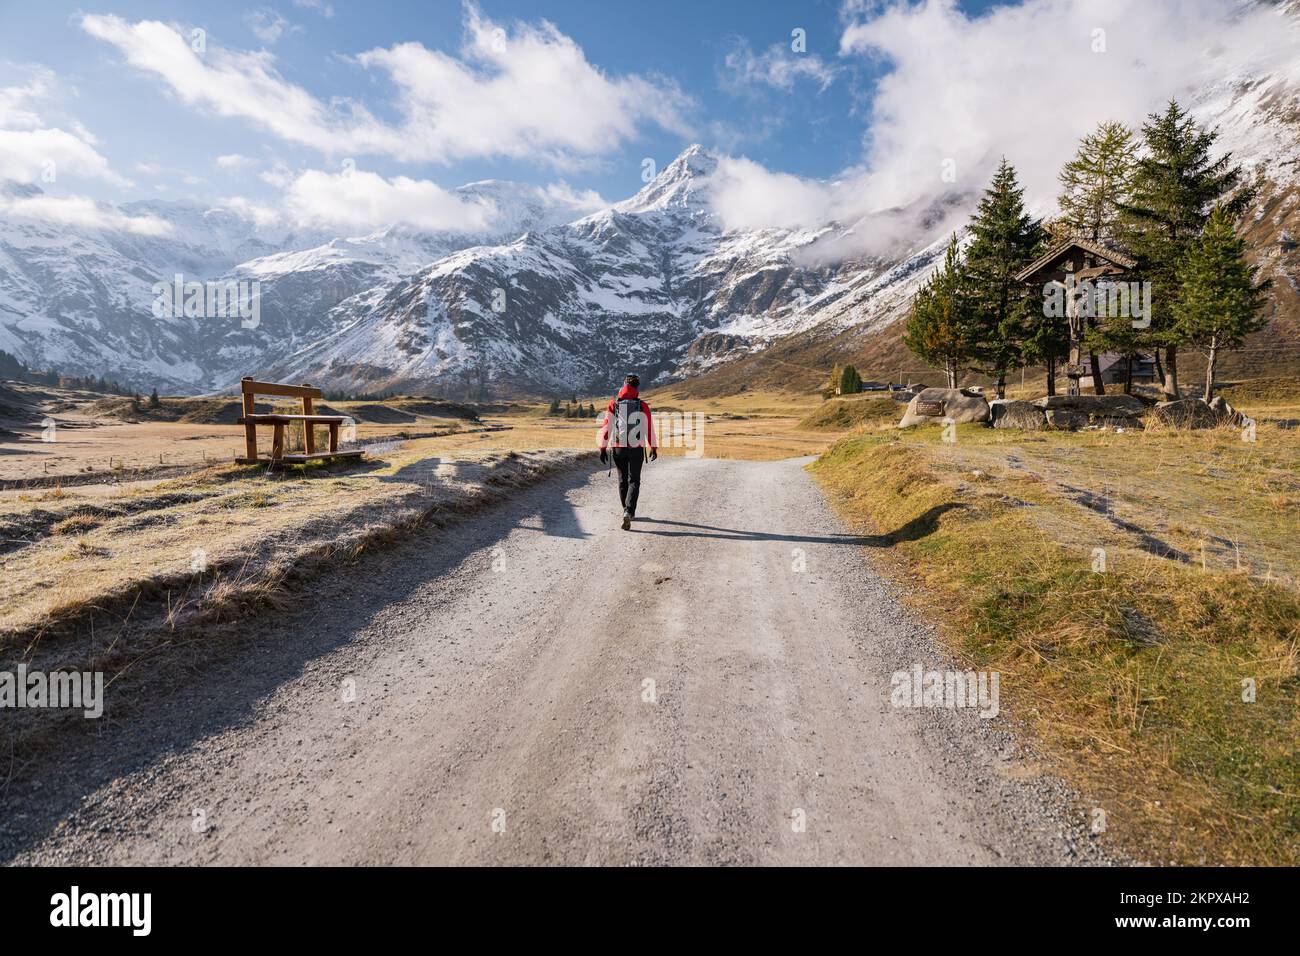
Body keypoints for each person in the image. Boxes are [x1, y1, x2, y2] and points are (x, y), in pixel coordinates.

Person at [598, 374, 658, 530]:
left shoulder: (614, 404)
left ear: (623, 385)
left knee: (622, 479)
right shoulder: (642, 405)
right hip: (636, 447)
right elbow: (648, 427)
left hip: (618, 447)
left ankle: (625, 510)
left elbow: (606, 427)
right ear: (637, 388)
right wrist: (654, 447)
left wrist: (603, 448)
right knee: (634, 480)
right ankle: (629, 511)